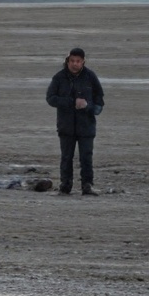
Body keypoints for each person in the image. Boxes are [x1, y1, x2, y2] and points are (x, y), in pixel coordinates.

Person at [45, 47, 105, 196]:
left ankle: (87, 185)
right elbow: (51, 98)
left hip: (86, 126)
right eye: (72, 61)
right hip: (66, 126)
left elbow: (99, 101)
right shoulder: (59, 77)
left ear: (83, 62)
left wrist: (88, 106)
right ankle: (65, 186)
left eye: (78, 61)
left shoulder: (90, 77)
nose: (75, 64)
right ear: (68, 60)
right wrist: (71, 102)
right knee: (66, 157)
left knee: (86, 157)